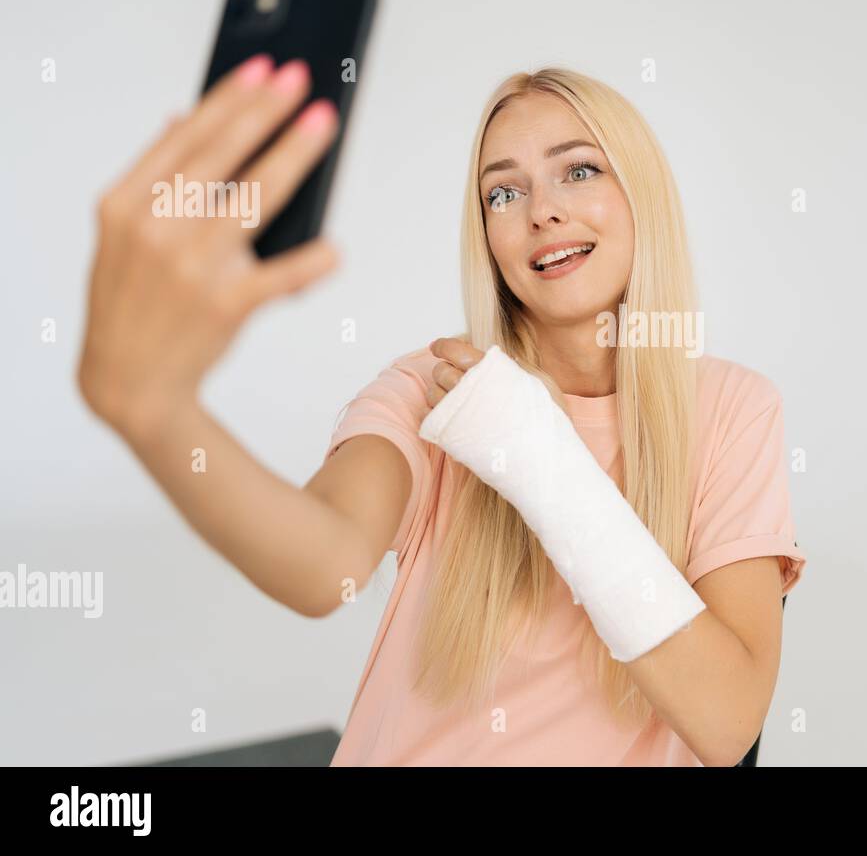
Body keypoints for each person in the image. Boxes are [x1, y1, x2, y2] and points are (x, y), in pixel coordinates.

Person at [78, 60, 806, 765]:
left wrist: (540, 459)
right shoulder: (441, 389)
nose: (542, 210)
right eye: (503, 194)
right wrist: (156, 413)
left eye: (578, 170)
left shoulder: (732, 410)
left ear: (642, 193)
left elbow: (726, 722)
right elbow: (321, 566)